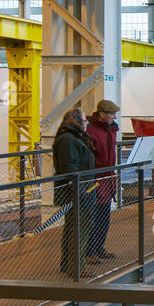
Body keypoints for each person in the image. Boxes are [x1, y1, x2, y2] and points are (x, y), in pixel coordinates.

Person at [52, 106, 96, 275]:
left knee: (74, 228)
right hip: (78, 192)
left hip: (82, 190)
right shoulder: (68, 140)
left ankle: (69, 265)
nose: (87, 123)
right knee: (79, 230)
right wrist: (81, 191)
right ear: (76, 121)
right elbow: (70, 168)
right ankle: (77, 267)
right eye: (85, 120)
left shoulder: (72, 137)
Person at [85, 99, 120, 259]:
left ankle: (99, 248)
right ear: (102, 114)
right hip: (95, 180)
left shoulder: (111, 129)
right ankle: (90, 252)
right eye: (111, 114)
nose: (114, 117)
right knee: (92, 217)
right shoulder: (91, 130)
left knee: (104, 216)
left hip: (108, 179)